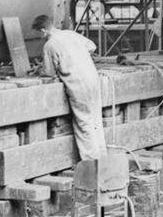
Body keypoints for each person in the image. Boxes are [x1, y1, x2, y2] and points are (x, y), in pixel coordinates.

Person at [31, 14, 106, 163]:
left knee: (84, 124)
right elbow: (92, 46)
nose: (40, 38)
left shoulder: (50, 45)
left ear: (43, 31)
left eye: (39, 34)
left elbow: (49, 72)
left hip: (79, 85)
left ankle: (91, 165)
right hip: (93, 78)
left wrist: (38, 69)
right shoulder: (70, 34)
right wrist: (76, 56)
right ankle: (102, 160)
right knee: (96, 120)